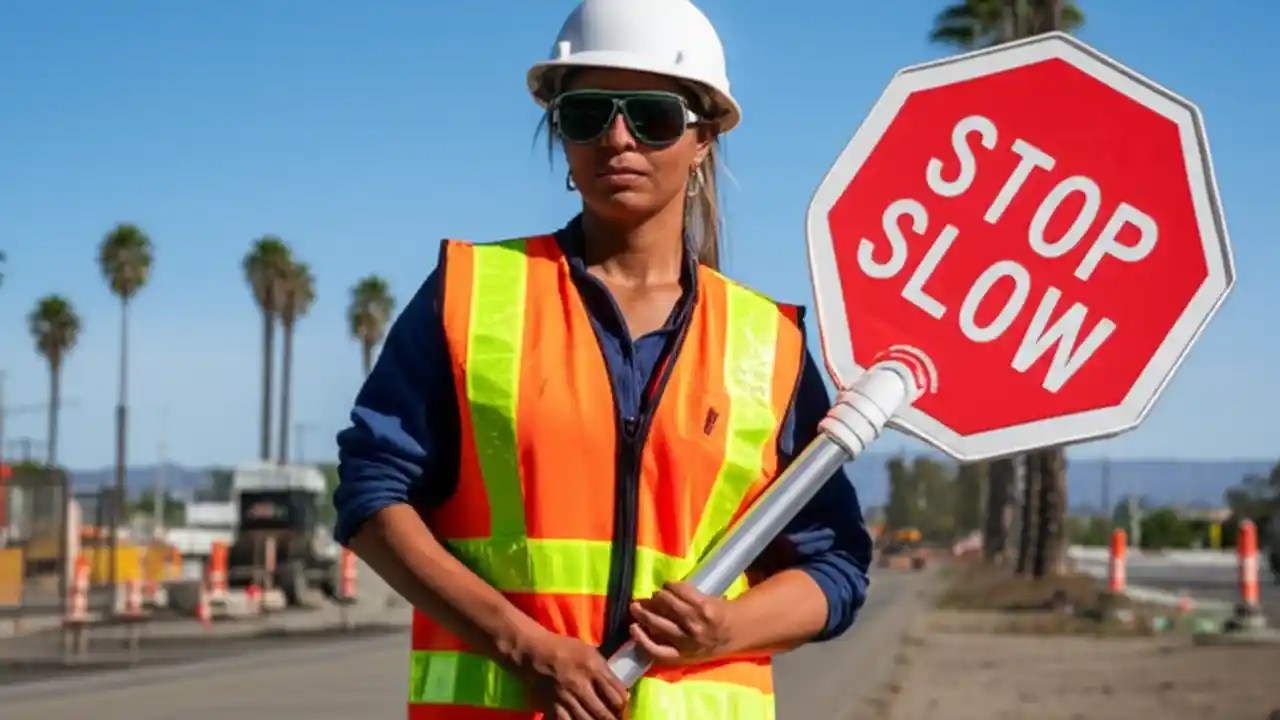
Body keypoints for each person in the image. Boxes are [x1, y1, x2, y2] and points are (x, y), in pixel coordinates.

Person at [332, 1, 873, 718]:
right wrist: (523, 645)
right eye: (588, 114)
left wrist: (726, 628)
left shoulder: (767, 343)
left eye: (650, 116)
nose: (618, 139)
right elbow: (373, 497)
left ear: (703, 137)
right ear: (560, 130)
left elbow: (834, 565)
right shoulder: (473, 296)